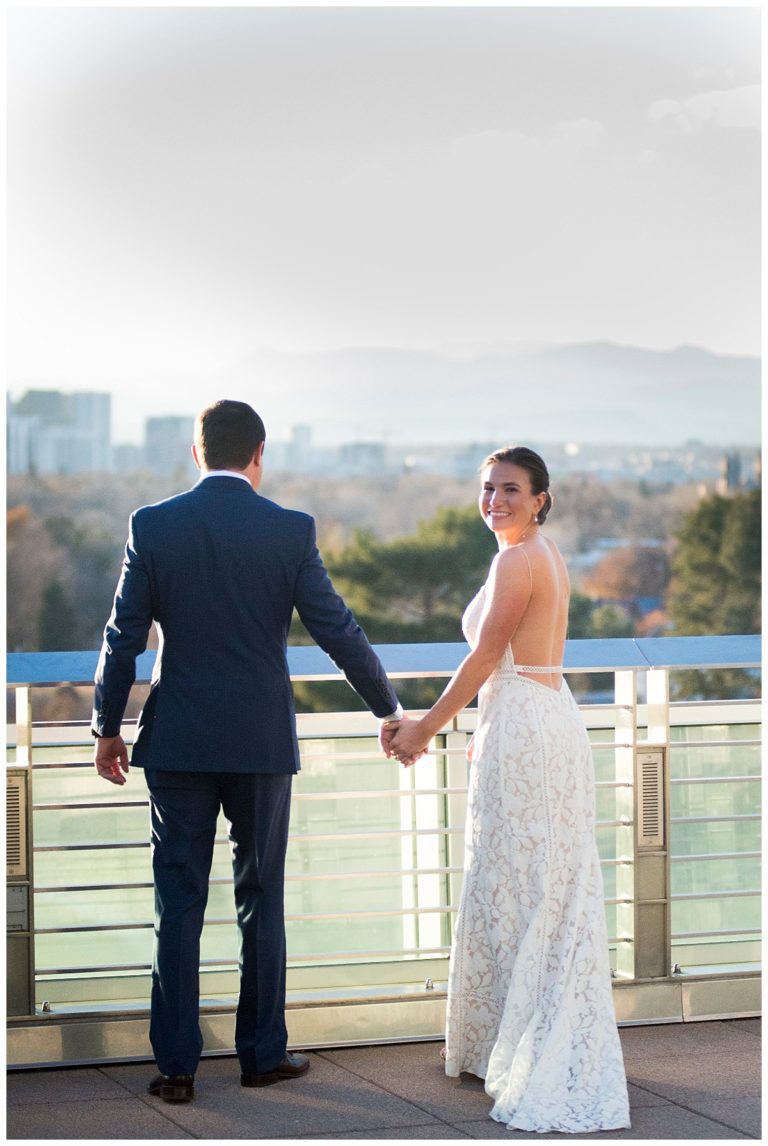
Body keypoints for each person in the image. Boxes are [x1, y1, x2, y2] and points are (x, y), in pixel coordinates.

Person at [92, 399, 404, 1104]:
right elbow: (338, 630)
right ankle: (262, 1053)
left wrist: (106, 726)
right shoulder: (289, 530)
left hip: (176, 740)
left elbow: (123, 637)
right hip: (260, 742)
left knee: (178, 901)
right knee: (261, 897)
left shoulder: (154, 525)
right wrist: (387, 707)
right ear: (259, 455)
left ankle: (176, 1065)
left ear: (196, 453)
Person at [388, 446, 630, 1134]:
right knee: (535, 879)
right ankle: (510, 1037)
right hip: (544, 718)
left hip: (525, 727)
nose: (495, 500)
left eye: (511, 490)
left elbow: (487, 655)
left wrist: (424, 729)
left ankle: (532, 1045)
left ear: (540, 498)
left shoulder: (515, 561)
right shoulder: (545, 554)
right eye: (488, 488)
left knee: (519, 879)